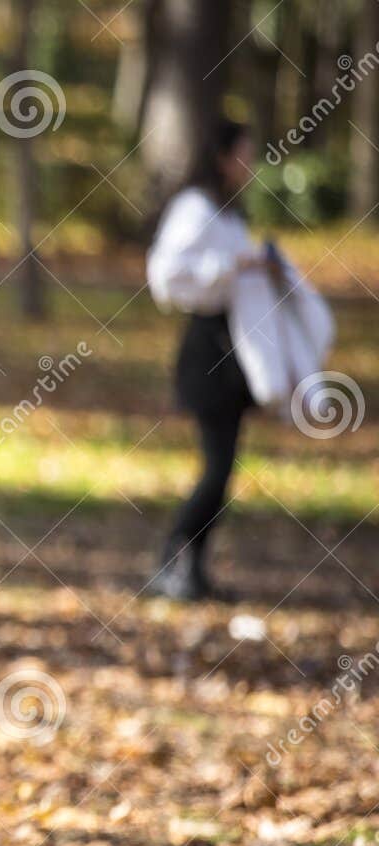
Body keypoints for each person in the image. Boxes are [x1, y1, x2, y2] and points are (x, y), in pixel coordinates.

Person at [146, 120, 273, 601]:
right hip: (207, 349)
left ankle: (193, 569)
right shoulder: (195, 208)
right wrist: (233, 267)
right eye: (244, 153)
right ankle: (170, 562)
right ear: (223, 156)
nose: (251, 164)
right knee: (216, 467)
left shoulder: (227, 213)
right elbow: (166, 274)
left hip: (234, 346)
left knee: (224, 468)